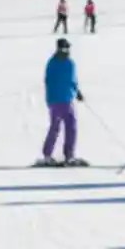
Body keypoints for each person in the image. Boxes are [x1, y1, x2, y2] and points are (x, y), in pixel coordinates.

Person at [39, 38, 84, 166]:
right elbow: (71, 81)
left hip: (54, 100)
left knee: (55, 127)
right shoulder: (69, 63)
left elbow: (48, 80)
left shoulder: (51, 62)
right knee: (71, 127)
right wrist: (77, 93)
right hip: (65, 100)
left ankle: (47, 154)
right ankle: (69, 155)